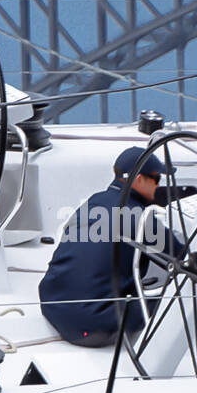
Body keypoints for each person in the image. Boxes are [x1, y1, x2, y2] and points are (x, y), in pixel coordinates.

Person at [39, 147, 182, 347]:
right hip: (91, 326)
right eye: (156, 179)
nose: (159, 186)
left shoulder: (93, 201)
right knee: (174, 301)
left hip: (52, 305)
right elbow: (184, 258)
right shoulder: (142, 219)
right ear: (139, 180)